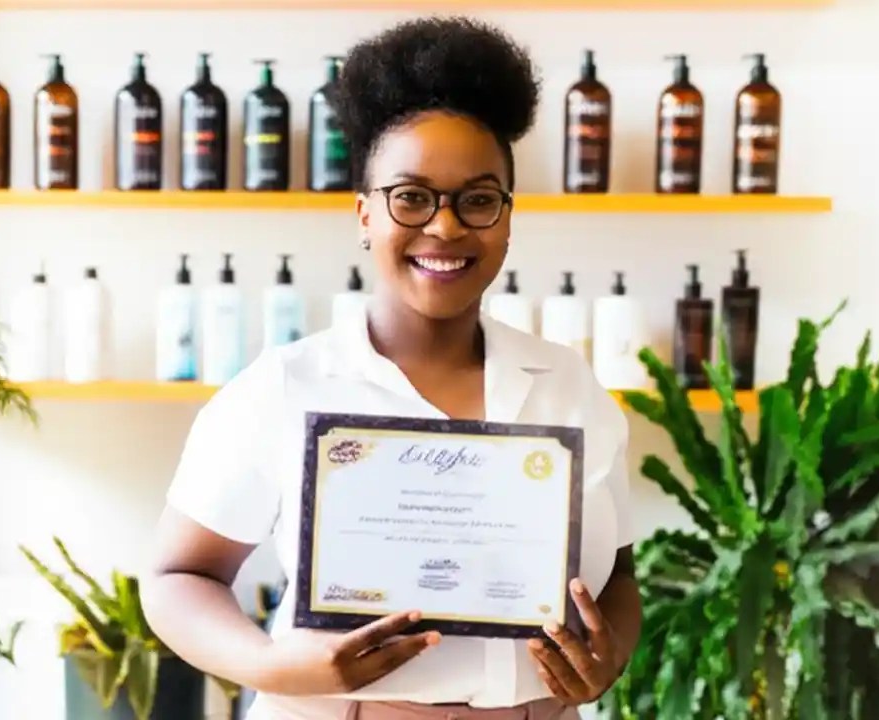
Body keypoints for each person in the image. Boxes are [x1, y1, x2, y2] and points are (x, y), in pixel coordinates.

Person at [143, 17, 642, 720]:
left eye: (478, 199)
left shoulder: (569, 389)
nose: (445, 226)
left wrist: (606, 657)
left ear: (507, 218)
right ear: (364, 215)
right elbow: (177, 576)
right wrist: (272, 665)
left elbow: (619, 576)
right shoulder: (285, 388)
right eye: (410, 197)